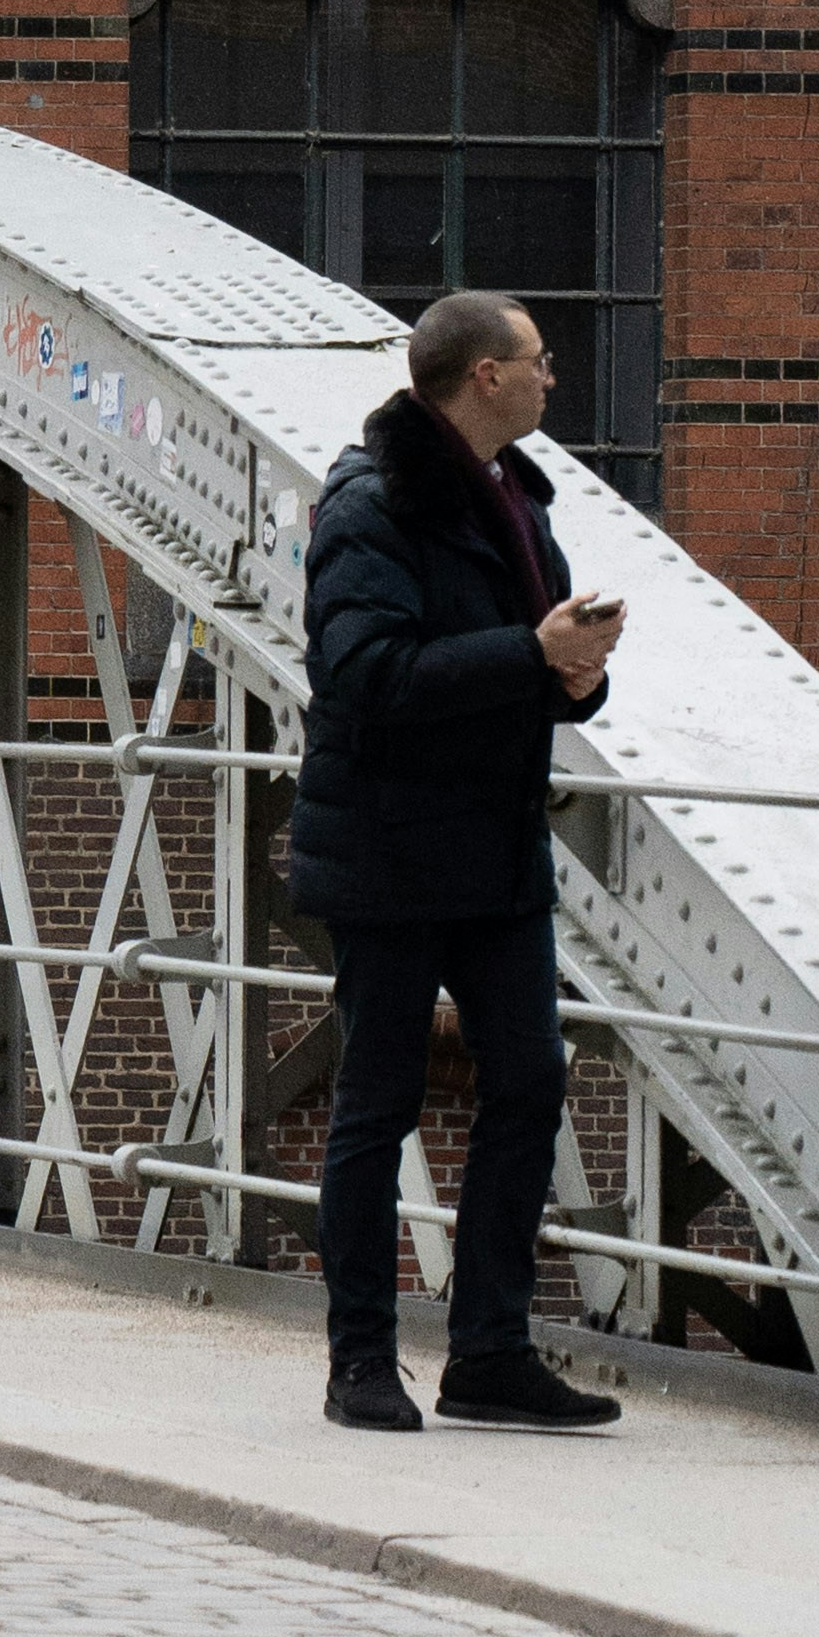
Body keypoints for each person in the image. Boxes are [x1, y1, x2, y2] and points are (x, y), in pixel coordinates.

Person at [291, 283, 628, 1437]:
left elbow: (520, 658)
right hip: (386, 847)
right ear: (481, 375)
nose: (550, 377)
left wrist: (574, 670)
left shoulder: (514, 496)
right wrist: (523, 652)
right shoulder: (370, 503)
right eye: (536, 360)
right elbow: (364, 677)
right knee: (375, 1103)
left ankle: (488, 1351)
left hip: (493, 846)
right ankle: (359, 1362)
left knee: (528, 1079)